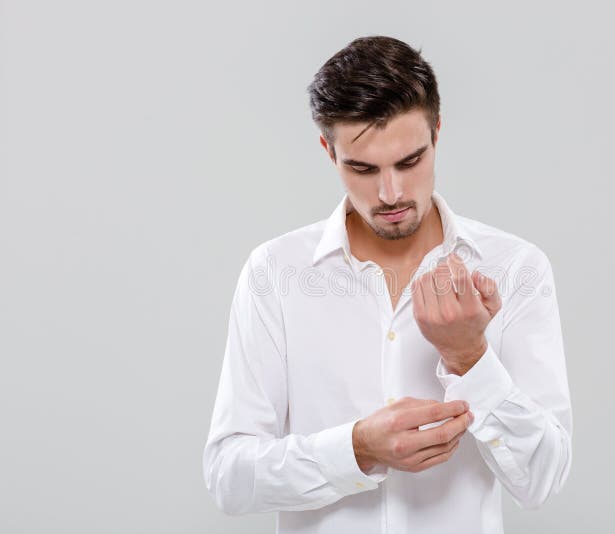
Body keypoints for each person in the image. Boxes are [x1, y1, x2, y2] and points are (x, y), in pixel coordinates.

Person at [202, 35, 573, 534]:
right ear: (327, 151)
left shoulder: (516, 267)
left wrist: (470, 358)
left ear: (437, 133)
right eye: (363, 168)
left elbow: (542, 479)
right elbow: (228, 476)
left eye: (410, 161)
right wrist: (356, 449)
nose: (391, 193)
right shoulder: (275, 273)